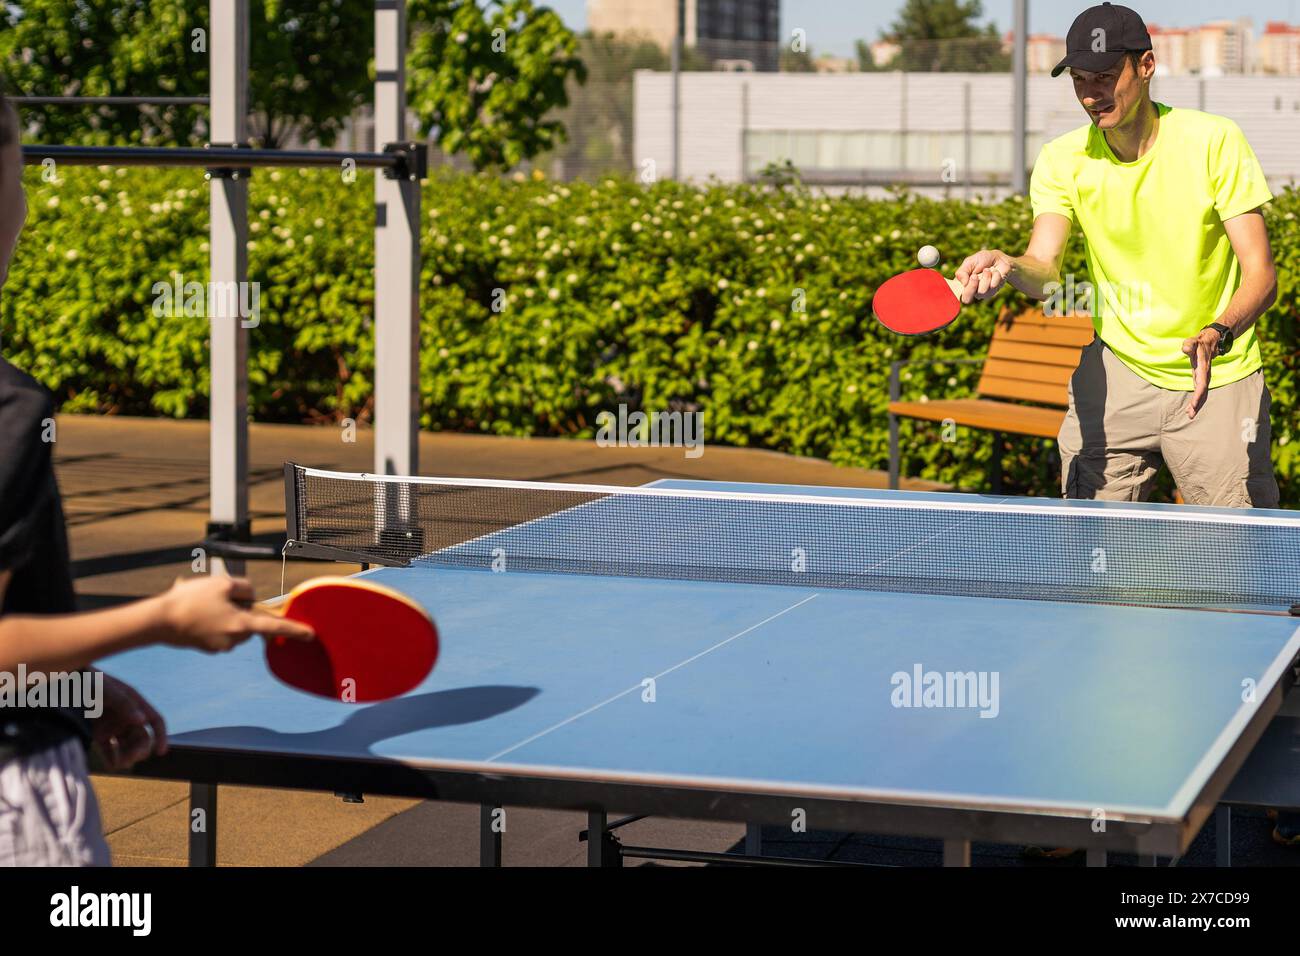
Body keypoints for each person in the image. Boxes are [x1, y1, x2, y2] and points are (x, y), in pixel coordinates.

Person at [953, 3, 1289, 847]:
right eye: (1079, 79)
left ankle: (1265, 783)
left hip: (1218, 376)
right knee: (1093, 574)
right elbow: (1044, 262)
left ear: (1146, 67)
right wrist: (1006, 267)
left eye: (1105, 75)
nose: (1091, 93)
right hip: (1117, 375)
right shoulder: (1065, 158)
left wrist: (1219, 328)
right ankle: (1102, 770)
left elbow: (1262, 275)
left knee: (1236, 589)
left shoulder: (1211, 141)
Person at [0, 89, 314, 865]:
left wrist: (79, 684)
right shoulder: (10, 407)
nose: (28, 202)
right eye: (17, 171)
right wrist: (161, 621)